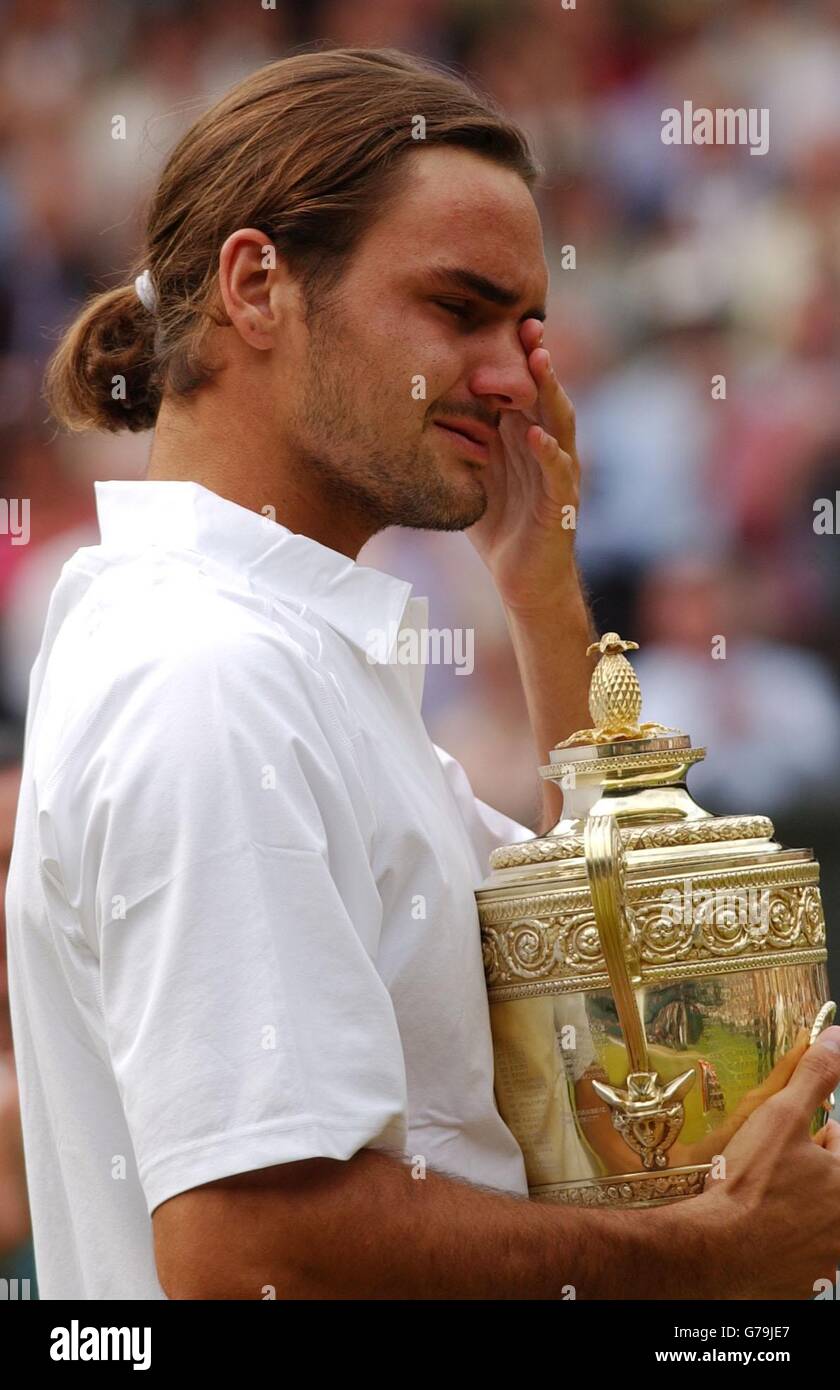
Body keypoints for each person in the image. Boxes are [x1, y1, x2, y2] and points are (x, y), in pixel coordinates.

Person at [7, 46, 840, 1301]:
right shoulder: (213, 672)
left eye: (529, 330)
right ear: (256, 286)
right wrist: (701, 1258)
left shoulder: (275, 649)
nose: (515, 379)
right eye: (459, 310)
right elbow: (251, 1251)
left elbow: (619, 984)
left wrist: (543, 591)